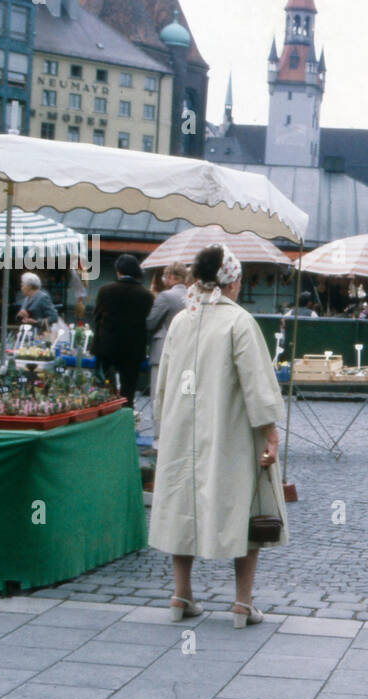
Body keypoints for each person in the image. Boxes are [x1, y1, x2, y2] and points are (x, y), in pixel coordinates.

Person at [150, 245, 288, 628]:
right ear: (233, 281)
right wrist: (270, 433)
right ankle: (242, 603)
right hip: (230, 432)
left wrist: (164, 423)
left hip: (182, 429)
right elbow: (258, 386)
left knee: (181, 503)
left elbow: (162, 383)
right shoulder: (239, 322)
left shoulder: (181, 320)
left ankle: (181, 594)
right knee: (244, 504)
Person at [91, 255, 154, 403]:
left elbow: (97, 316)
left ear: (118, 271)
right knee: (128, 390)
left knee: (106, 389)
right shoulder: (146, 295)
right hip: (133, 347)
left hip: (107, 345)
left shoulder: (105, 290)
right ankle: (127, 416)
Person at [145, 263, 188, 445]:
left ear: (170, 276)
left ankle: (158, 441)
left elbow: (150, 323)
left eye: (165, 276)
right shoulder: (191, 296)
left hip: (162, 349)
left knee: (158, 395)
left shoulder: (165, 296)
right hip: (184, 351)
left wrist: (153, 296)